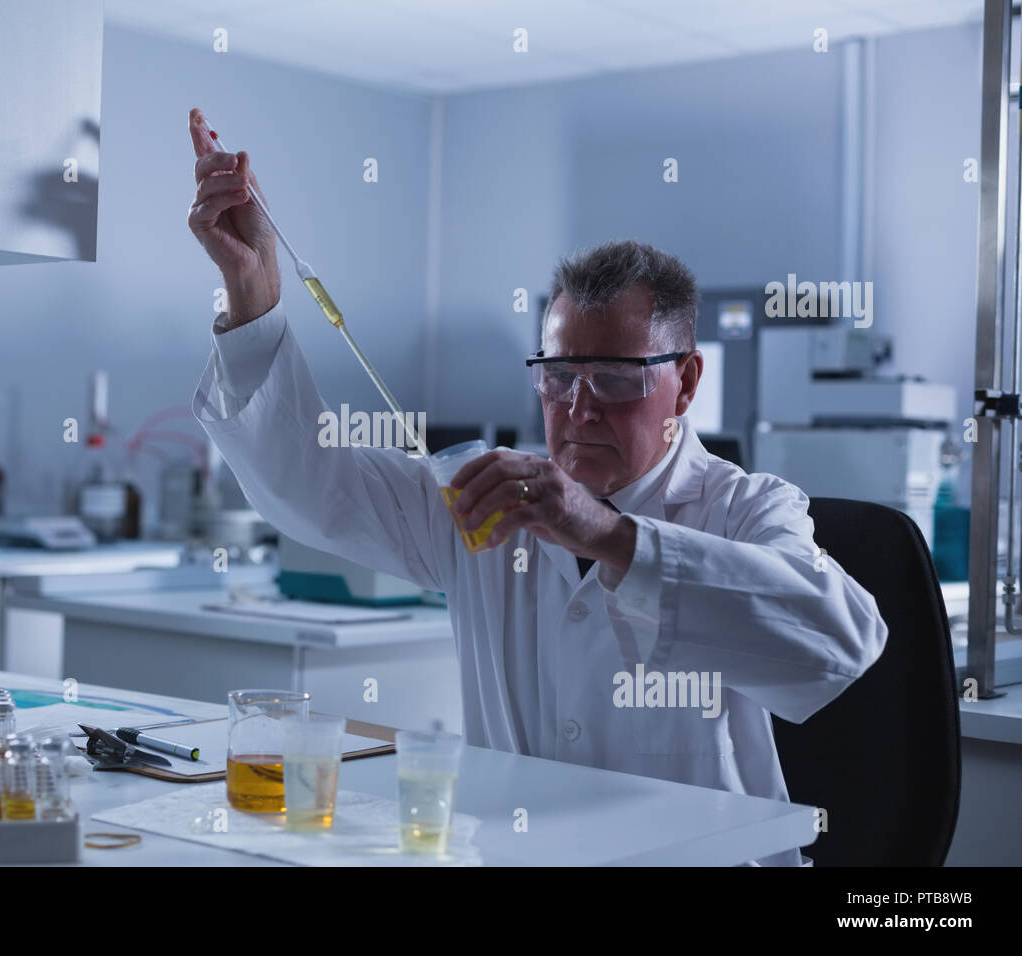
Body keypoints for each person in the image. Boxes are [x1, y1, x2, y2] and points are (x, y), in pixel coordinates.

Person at [184, 108, 888, 866]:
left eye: (615, 379)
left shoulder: (747, 506)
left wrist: (608, 536)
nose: (578, 408)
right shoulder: (480, 497)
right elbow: (311, 484)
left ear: (684, 384)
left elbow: (839, 642)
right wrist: (250, 295)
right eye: (557, 377)